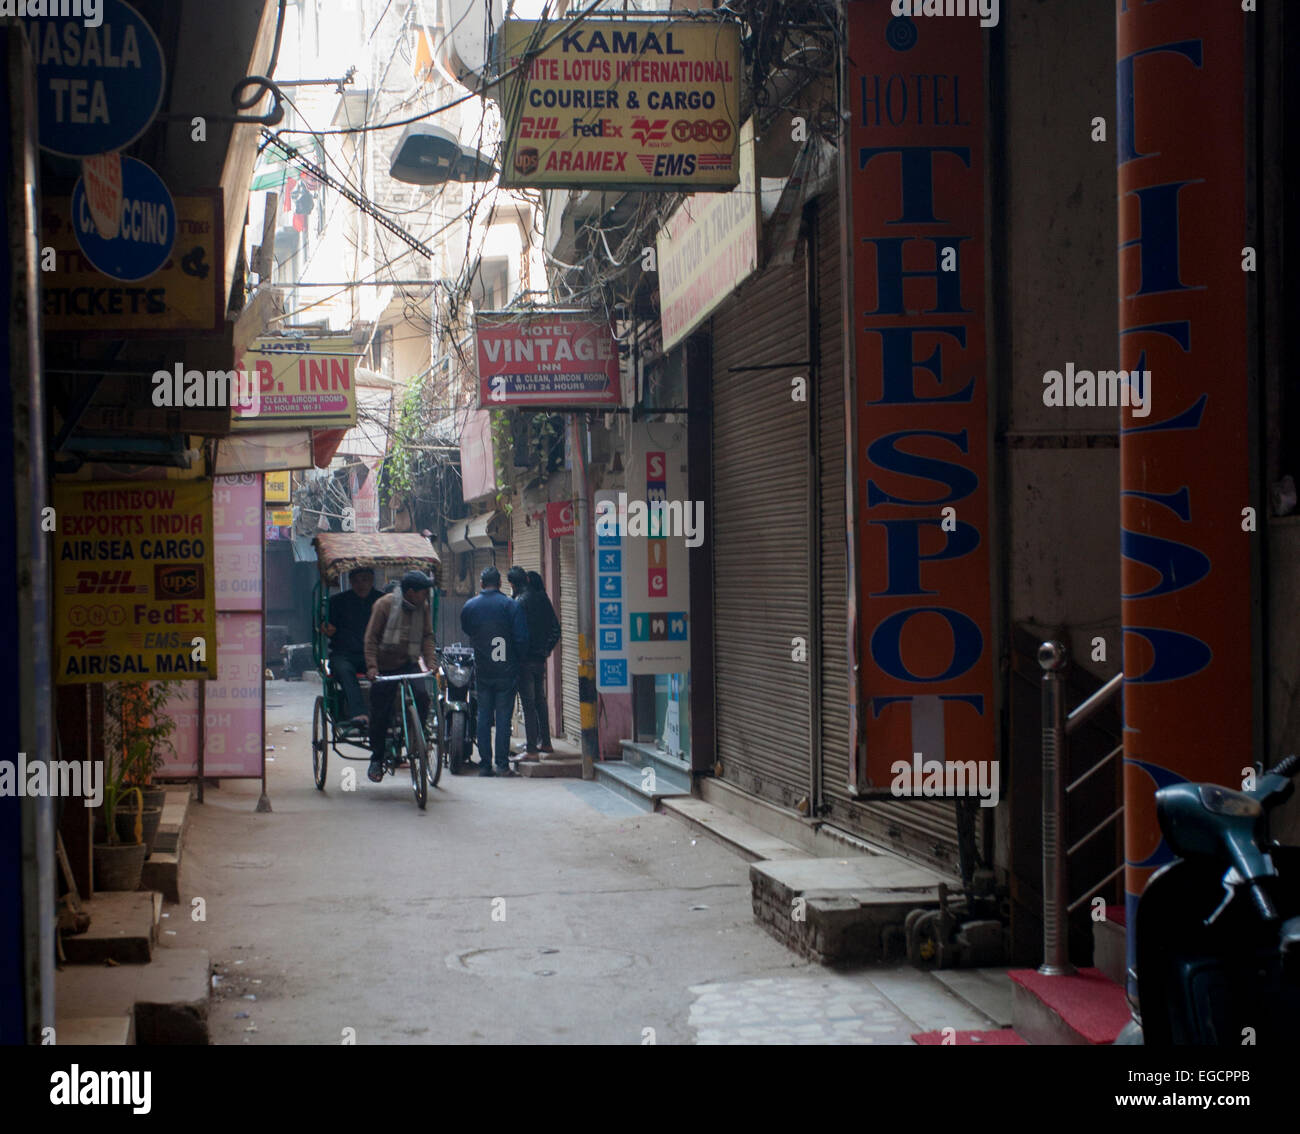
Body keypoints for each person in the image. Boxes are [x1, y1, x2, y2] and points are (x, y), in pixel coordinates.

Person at [362, 570, 436, 784]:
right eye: (423, 592)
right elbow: (371, 638)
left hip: (409, 662)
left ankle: (415, 739)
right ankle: (377, 758)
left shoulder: (423, 607)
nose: (425, 596)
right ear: (411, 592)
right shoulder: (384, 605)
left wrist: (431, 662)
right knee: (380, 709)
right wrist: (372, 667)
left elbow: (427, 637)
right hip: (385, 666)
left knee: (422, 696)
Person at [460, 565, 529, 777]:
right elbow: (521, 638)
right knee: (503, 717)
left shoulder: (470, 606)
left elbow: (467, 628)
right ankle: (501, 764)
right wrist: (518, 661)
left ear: (481, 584)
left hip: (483, 670)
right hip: (506, 671)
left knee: (483, 716)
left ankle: (484, 765)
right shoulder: (511, 606)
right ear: (500, 584)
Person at [320, 566, 379, 729]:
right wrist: (326, 628)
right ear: (351, 582)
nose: (361, 584)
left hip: (374, 654)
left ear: (372, 580)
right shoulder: (337, 602)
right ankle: (359, 713)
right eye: (356, 581)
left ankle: (386, 713)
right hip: (344, 654)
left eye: (365, 580)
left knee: (390, 671)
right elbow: (326, 626)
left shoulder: (382, 601)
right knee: (344, 671)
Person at [515, 570, 561, 760]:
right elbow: (556, 629)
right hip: (540, 659)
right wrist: (546, 649)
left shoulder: (521, 601)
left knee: (528, 703)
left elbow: (518, 632)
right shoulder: (544, 599)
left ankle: (532, 748)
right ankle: (546, 743)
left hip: (525, 660)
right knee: (540, 702)